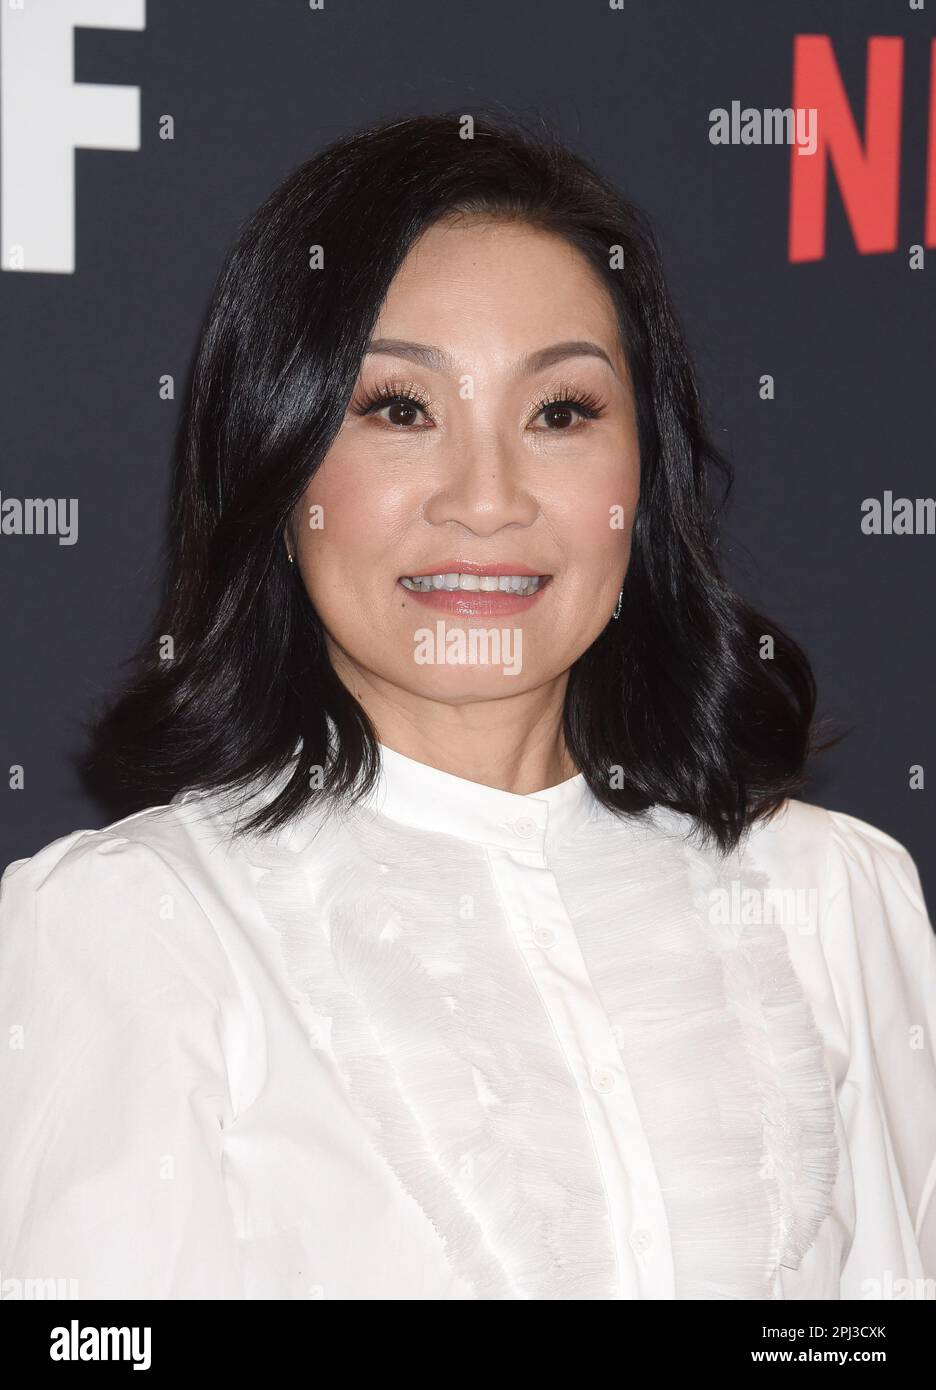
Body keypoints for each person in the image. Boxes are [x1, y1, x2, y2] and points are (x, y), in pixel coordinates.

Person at [1, 111, 933, 1301]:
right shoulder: (137, 929)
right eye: (399, 407)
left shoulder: (834, 894)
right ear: (279, 467)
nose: (486, 499)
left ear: (638, 487)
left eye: (561, 413)